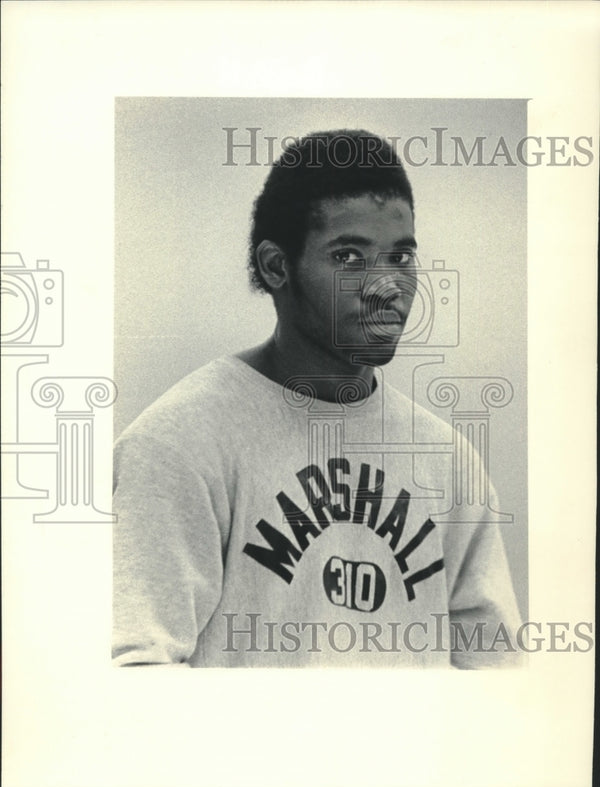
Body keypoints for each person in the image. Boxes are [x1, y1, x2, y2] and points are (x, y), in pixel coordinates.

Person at [113, 129, 522, 668]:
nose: (386, 287)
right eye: (349, 256)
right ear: (276, 266)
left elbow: (495, 676)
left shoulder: (446, 460)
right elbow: (135, 672)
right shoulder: (178, 444)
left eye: (400, 257)